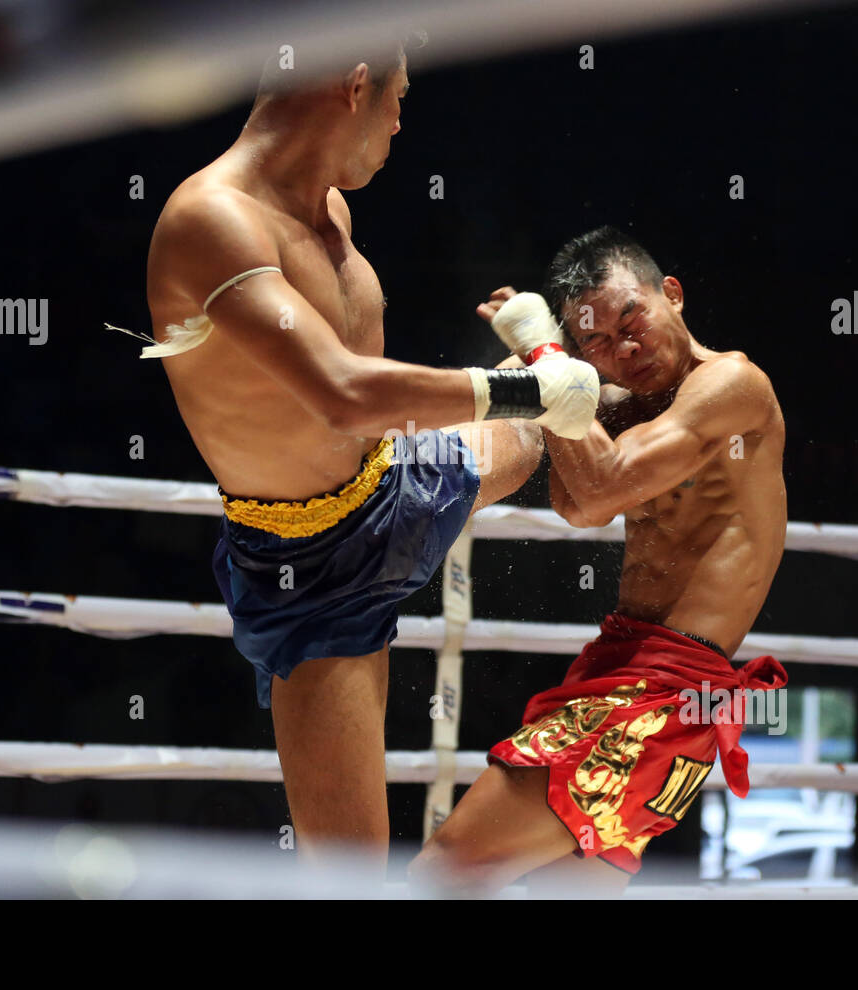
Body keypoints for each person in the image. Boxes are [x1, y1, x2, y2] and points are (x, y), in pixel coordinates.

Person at [129, 40, 599, 870]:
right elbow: (341, 390)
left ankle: (536, 353)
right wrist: (527, 393)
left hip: (395, 478)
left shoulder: (330, 210)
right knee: (349, 871)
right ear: (353, 88)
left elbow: (371, 401)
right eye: (398, 101)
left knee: (525, 446)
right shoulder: (213, 220)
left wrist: (537, 372)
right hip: (310, 566)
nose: (398, 124)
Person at [409, 226, 789, 895]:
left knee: (445, 872)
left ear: (671, 294)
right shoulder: (622, 409)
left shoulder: (734, 383)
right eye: (598, 343)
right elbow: (580, 505)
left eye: (631, 319)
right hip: (625, 674)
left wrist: (545, 353)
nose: (626, 349)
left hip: (658, 693)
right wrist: (554, 374)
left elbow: (605, 486)